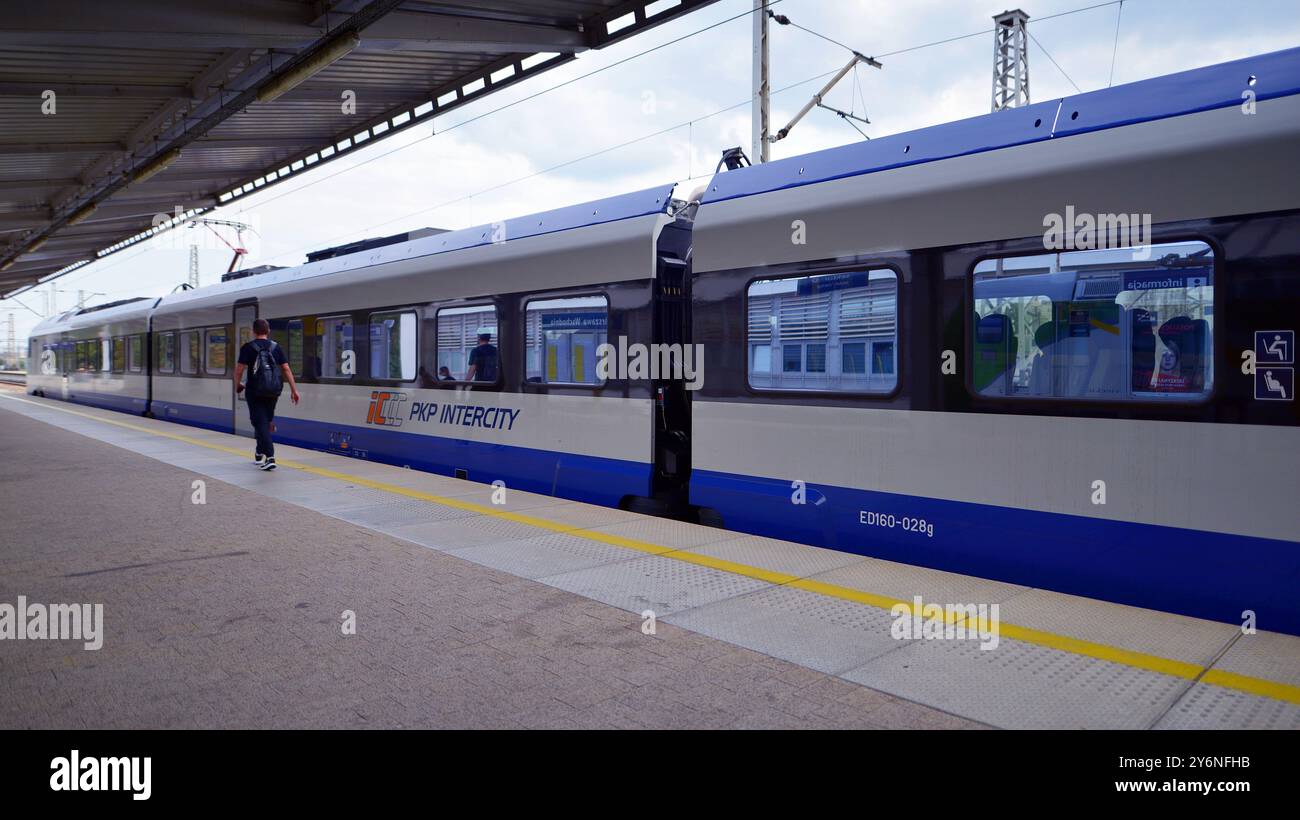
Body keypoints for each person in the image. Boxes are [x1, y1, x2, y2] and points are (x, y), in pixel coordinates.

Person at [234, 318, 300, 471]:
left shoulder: (248, 348)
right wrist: (294, 390)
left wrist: (238, 385)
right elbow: (286, 369)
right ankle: (259, 452)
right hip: (273, 391)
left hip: (254, 391)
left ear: (253, 331)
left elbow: (239, 370)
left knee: (259, 422)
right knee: (264, 421)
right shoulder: (276, 347)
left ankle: (270, 456)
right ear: (268, 331)